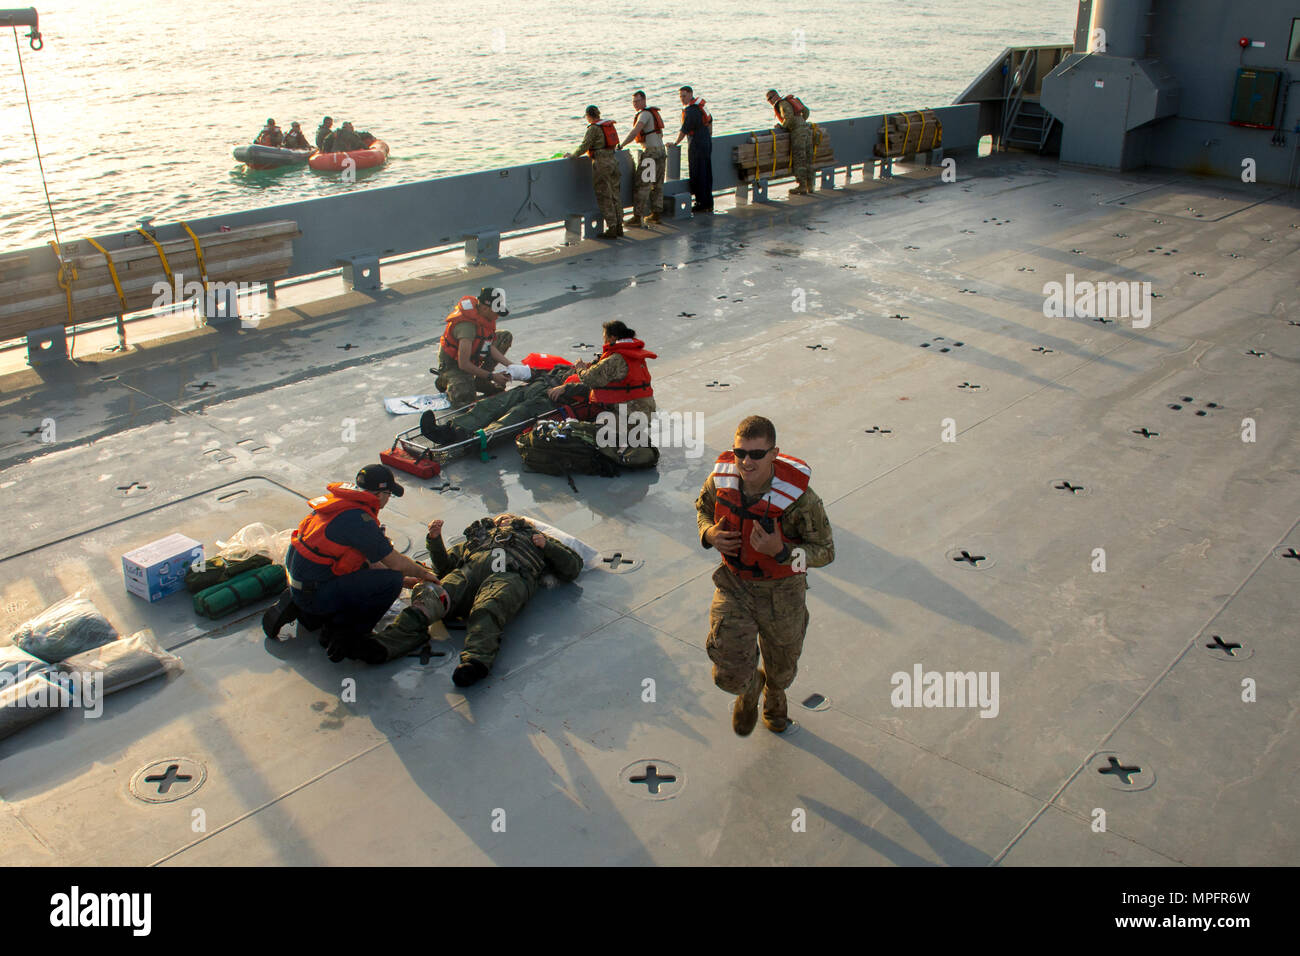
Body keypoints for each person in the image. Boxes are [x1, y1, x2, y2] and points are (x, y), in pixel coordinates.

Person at [694, 416, 835, 735]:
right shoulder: (721, 480)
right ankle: (750, 688)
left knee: (782, 669)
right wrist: (709, 534)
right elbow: (702, 510)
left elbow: (825, 551)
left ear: (774, 453)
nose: (746, 461)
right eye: (739, 452)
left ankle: (775, 697)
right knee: (728, 673)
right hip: (735, 585)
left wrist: (781, 551)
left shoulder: (801, 500)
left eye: (757, 454)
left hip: (782, 592)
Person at [263, 465, 442, 664]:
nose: (388, 500)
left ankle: (302, 609)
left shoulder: (341, 505)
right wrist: (424, 574)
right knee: (391, 581)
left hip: (300, 580)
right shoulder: (359, 520)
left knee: (387, 577)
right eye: (389, 494)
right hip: (314, 591)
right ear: (381, 494)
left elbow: (365, 561)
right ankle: (344, 634)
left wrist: (407, 580)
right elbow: (395, 562)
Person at [425, 514, 585, 687]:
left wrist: (547, 546)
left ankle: (475, 662)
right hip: (469, 575)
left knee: (489, 607)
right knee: (429, 597)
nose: (503, 520)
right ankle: (393, 642)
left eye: (508, 518)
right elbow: (444, 568)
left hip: (509, 575)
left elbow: (573, 566)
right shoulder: (476, 540)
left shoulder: (534, 537)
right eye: (500, 519)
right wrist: (434, 541)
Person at [552, 320, 658, 467]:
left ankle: (623, 447)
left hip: (629, 415)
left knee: (595, 429)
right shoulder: (633, 354)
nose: (604, 340)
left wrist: (580, 368)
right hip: (643, 412)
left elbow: (590, 379)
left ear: (613, 337)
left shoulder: (616, 358)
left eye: (605, 337)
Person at [421, 358, 591, 445]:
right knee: (490, 404)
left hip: (550, 401)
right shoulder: (567, 367)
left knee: (515, 414)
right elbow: (541, 372)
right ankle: (449, 430)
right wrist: (516, 373)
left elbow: (592, 392)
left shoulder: (593, 378)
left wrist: (566, 388)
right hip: (533, 388)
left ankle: (473, 438)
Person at [432, 287, 513, 408]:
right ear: (485, 308)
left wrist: (511, 366)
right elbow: (463, 364)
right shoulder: (467, 327)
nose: (497, 316)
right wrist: (493, 377)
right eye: (496, 312)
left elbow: (488, 345)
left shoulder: (484, 316)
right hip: (455, 365)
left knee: (504, 337)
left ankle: (480, 381)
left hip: (473, 357)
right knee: (465, 399)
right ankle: (445, 379)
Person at [565, 106, 623, 238]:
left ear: (588, 116)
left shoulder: (593, 128)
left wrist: (573, 155)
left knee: (604, 195)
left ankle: (612, 228)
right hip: (613, 161)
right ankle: (619, 226)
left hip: (601, 163)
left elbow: (584, 146)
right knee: (615, 195)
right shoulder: (606, 126)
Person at [619, 91, 666, 226]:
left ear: (644, 100)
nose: (635, 104)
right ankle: (656, 214)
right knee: (657, 185)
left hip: (650, 154)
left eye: (637, 101)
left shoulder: (644, 114)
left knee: (642, 185)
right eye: (633, 102)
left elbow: (635, 131)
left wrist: (622, 145)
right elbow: (660, 134)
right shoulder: (653, 113)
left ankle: (637, 217)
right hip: (661, 152)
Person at [673, 86, 713, 212]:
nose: (682, 99)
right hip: (706, 140)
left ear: (691, 94)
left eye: (684, 96)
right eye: (680, 96)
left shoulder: (691, 111)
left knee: (697, 172)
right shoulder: (701, 107)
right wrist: (709, 135)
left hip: (696, 143)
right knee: (706, 172)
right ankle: (708, 202)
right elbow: (710, 120)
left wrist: (675, 143)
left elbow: (684, 130)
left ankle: (701, 203)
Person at [767, 89, 813, 195]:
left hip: (797, 132)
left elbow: (789, 118)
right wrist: (801, 121)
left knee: (799, 158)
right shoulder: (789, 101)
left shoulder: (782, 104)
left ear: (774, 97)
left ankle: (802, 186)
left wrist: (782, 126)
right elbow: (806, 111)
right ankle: (810, 186)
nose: (769, 101)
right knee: (808, 158)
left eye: (769, 99)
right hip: (806, 129)